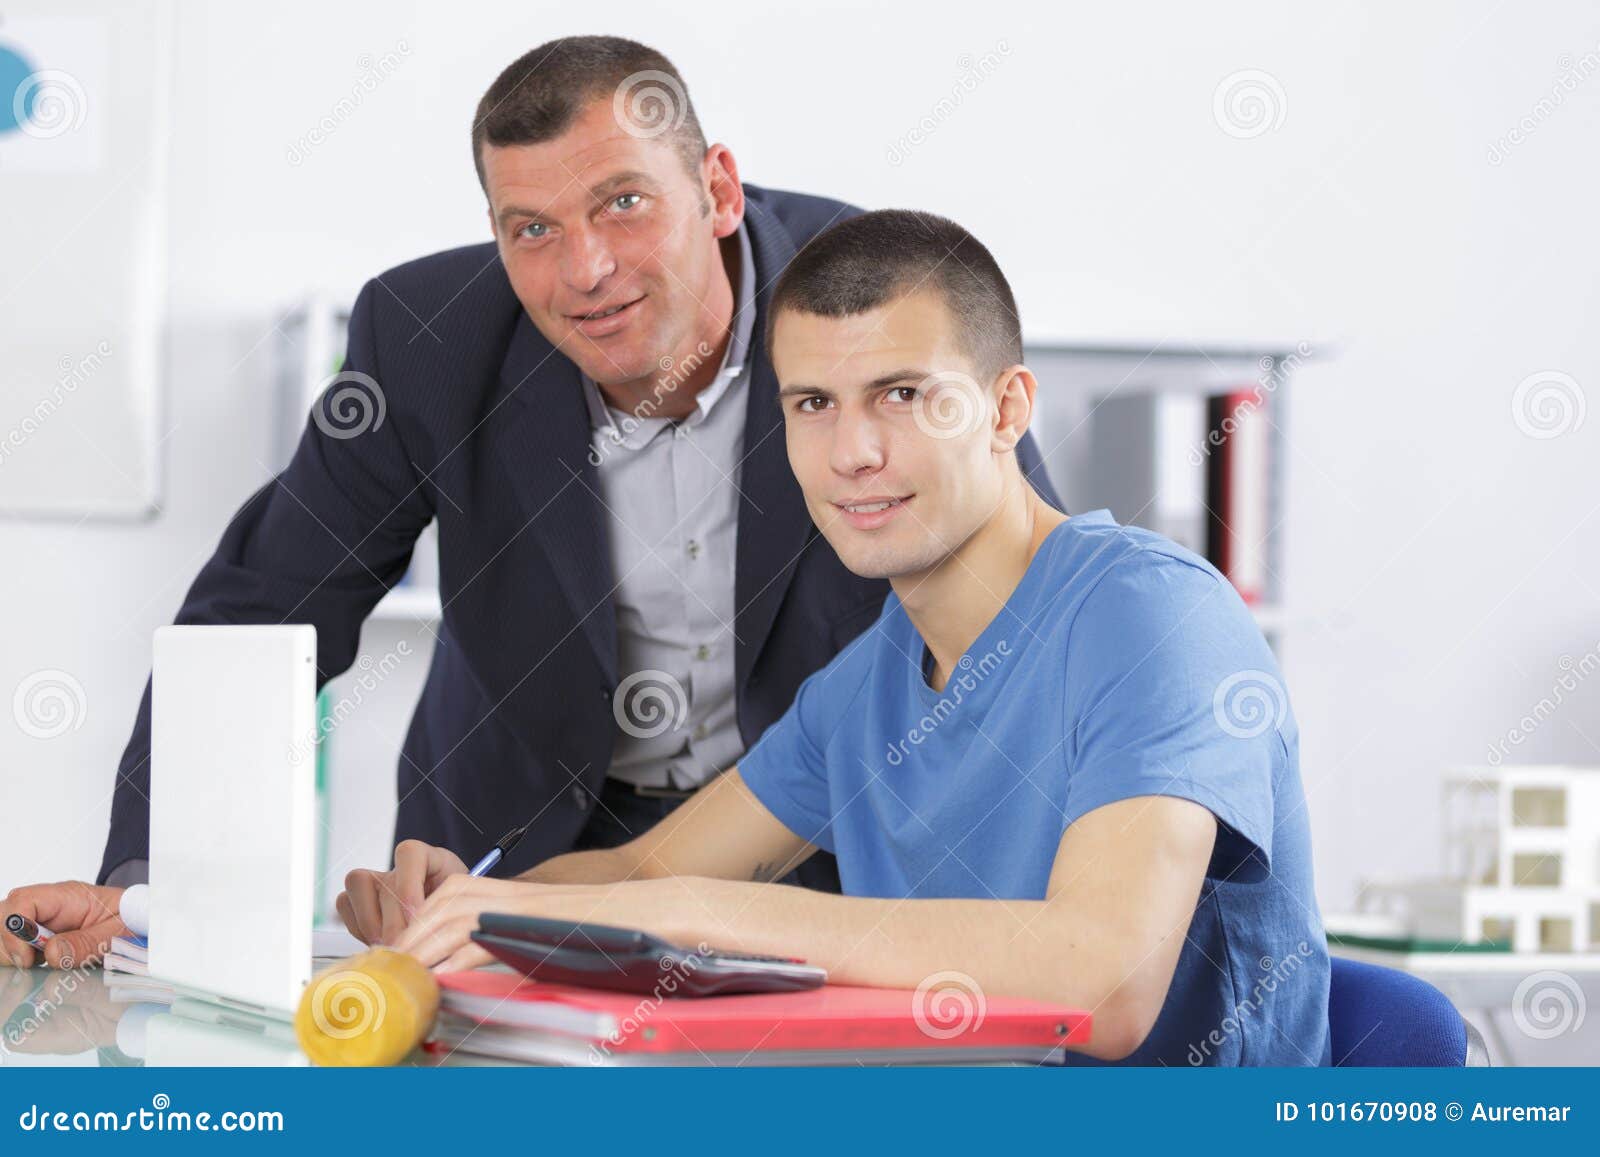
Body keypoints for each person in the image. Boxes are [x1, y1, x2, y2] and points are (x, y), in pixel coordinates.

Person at [0, 35, 1061, 971]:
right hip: (519, 854)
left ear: (719, 189)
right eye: (531, 229)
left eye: (623, 204)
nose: (585, 269)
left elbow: (1019, 597)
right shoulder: (427, 338)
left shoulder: (867, 300)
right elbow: (262, 610)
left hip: (832, 846)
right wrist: (145, 895)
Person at [372, 209, 1333, 1065]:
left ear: (1005, 410)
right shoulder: (865, 685)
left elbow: (1104, 983)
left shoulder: (1153, 618)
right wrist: (468, 901)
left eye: (903, 395)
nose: (852, 453)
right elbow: (644, 872)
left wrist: (704, 919)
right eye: (813, 405)